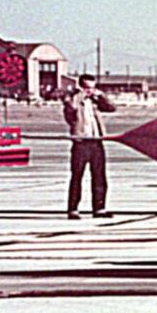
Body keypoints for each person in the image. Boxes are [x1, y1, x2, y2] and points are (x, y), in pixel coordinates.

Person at [61, 73, 115, 219]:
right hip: (81, 142)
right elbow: (69, 113)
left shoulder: (95, 102)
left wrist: (100, 96)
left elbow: (111, 108)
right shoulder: (73, 101)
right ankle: (73, 209)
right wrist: (78, 96)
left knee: (99, 176)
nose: (89, 91)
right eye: (86, 87)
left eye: (92, 87)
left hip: (96, 141)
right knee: (77, 176)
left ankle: (99, 208)